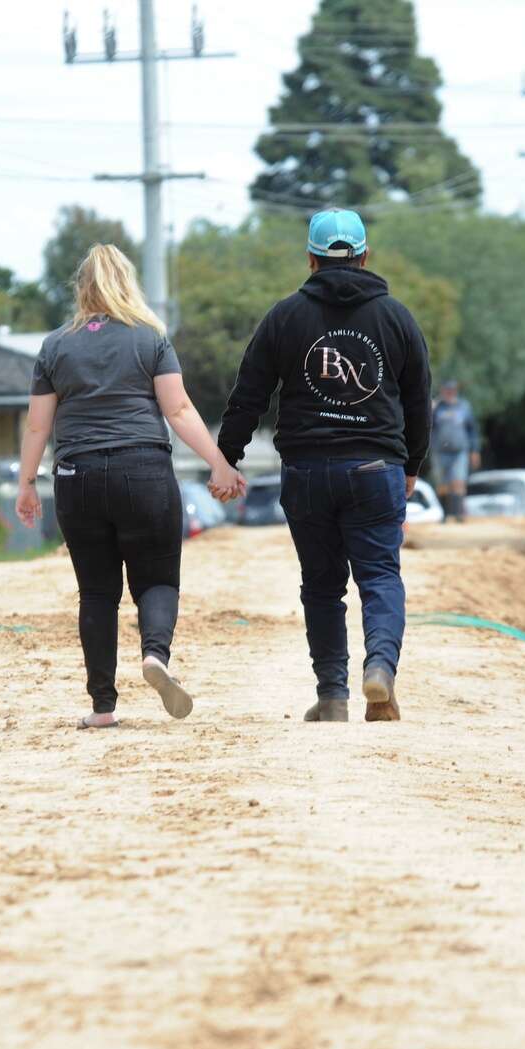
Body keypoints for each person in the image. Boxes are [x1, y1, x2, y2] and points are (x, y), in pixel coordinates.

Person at [16, 245, 246, 730]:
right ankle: (155, 654)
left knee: (96, 592)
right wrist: (220, 464)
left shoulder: (55, 345)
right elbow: (179, 409)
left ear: (82, 288)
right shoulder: (151, 338)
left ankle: (103, 706)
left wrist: (26, 484)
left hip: (76, 477)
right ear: (128, 283)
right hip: (143, 470)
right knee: (157, 579)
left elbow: (38, 426)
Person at [216, 208, 431, 723]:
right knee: (379, 576)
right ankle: (379, 668)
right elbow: (420, 399)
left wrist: (227, 458)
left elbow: (249, 395)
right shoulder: (396, 317)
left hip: (308, 472)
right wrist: (413, 464)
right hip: (376, 467)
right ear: (364, 255)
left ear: (311, 257)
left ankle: (333, 695)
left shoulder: (285, 316)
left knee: (321, 585)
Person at [431, 379, 479, 522]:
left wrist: (474, 450)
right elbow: (426, 425)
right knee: (442, 484)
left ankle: (458, 515)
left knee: (458, 482)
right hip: (440, 451)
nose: (449, 393)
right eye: (447, 390)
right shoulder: (437, 407)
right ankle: (444, 515)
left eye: (452, 390)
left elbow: (472, 430)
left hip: (459, 451)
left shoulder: (464, 407)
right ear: (442, 391)